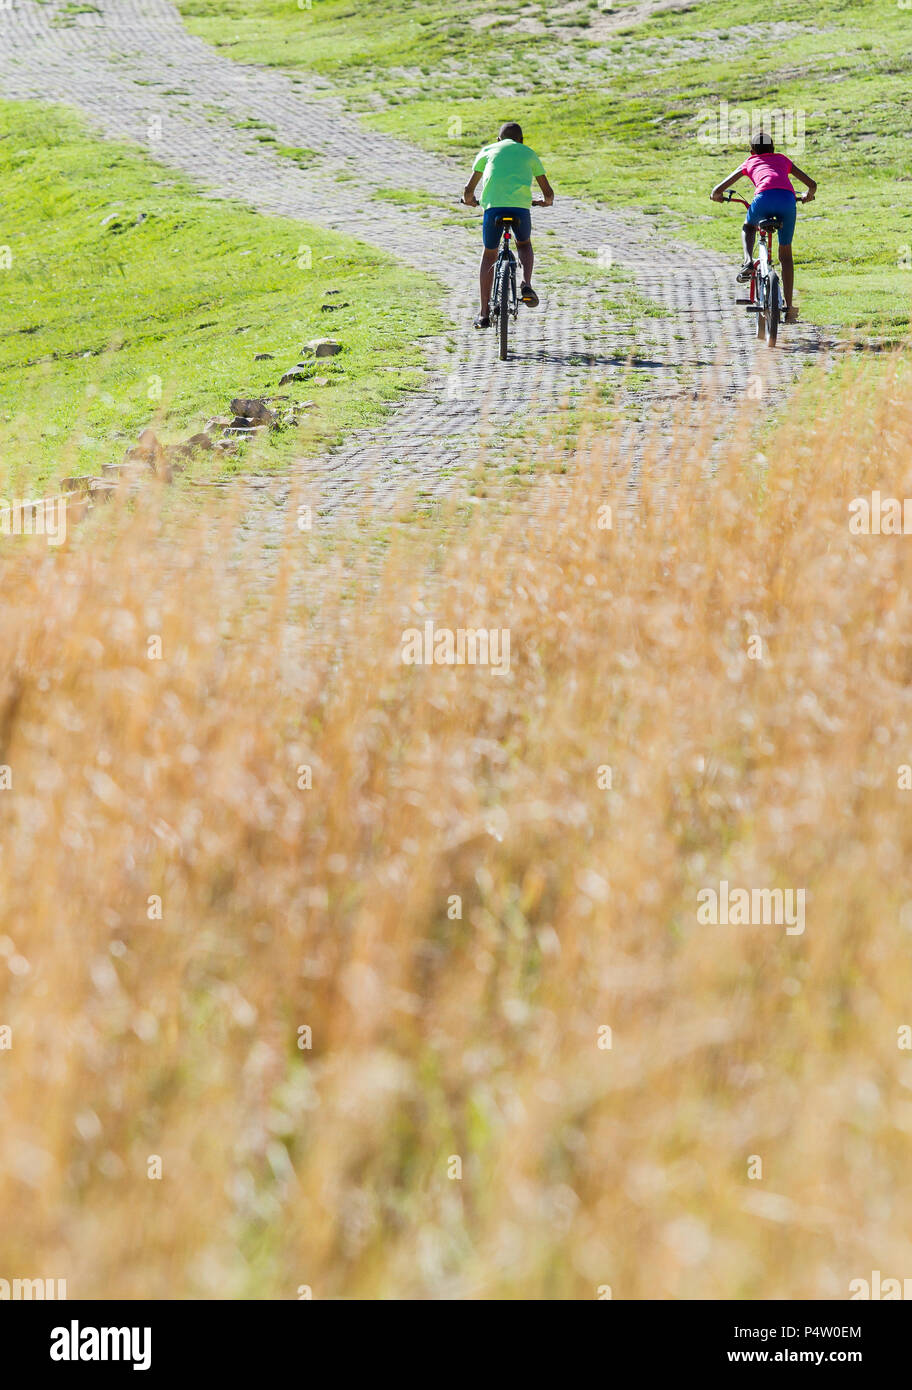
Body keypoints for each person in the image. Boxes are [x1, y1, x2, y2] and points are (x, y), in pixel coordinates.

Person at [710, 132, 817, 324]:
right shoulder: (783, 159)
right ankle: (790, 307)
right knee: (786, 255)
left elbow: (717, 190)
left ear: (752, 152)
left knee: (748, 226)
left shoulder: (749, 162)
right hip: (787, 200)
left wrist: (717, 196)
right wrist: (808, 195)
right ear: (774, 149)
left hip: (763, 199)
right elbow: (812, 184)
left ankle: (748, 260)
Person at [462, 122, 554, 329]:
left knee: (489, 254)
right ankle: (526, 284)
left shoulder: (487, 151)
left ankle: (484, 313)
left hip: (493, 209)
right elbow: (548, 194)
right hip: (520, 209)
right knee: (523, 244)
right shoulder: (528, 153)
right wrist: (544, 201)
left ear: (498, 140)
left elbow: (468, 190)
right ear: (522, 141)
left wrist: (469, 200)